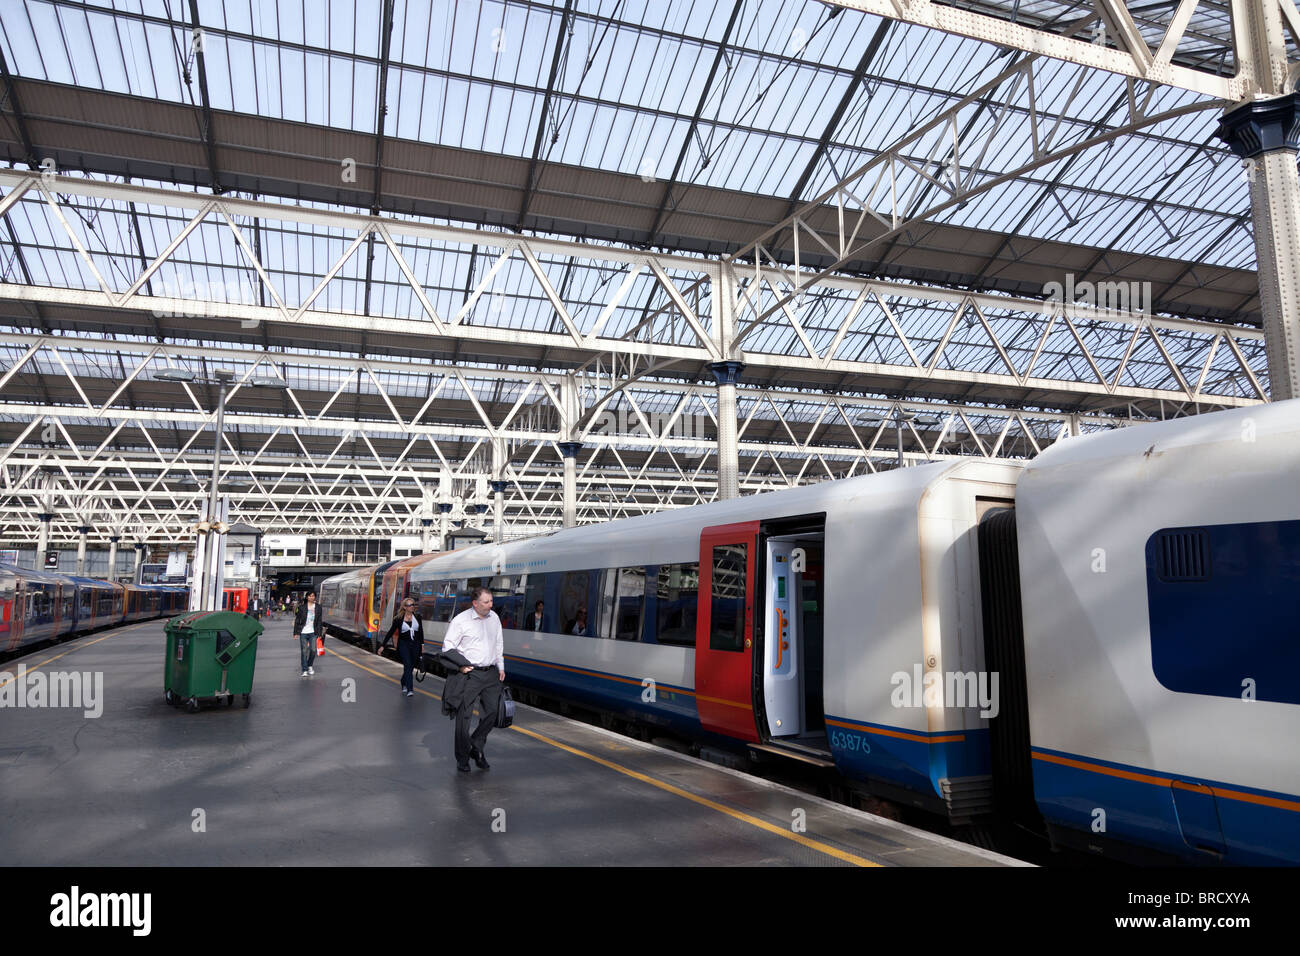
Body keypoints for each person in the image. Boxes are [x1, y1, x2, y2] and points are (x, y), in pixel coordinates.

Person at [442, 586, 504, 772]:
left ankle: (475, 746)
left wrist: (501, 666)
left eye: (491, 601)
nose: (490, 605)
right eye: (486, 602)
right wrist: (461, 665)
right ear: (475, 603)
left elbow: (499, 643)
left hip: (491, 672)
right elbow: (448, 647)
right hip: (470, 674)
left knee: (493, 713)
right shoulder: (461, 621)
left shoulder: (495, 618)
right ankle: (463, 759)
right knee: (464, 717)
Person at [380, 597, 423, 698]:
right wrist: (383, 645)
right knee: (407, 665)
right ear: (404, 607)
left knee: (411, 667)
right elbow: (390, 632)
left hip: (415, 645)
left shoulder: (417, 617)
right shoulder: (398, 619)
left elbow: (421, 632)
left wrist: (422, 645)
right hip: (404, 644)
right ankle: (410, 689)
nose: (412, 607)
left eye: (413, 604)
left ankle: (403, 681)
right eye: (410, 605)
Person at [293, 591, 320, 678]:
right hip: (303, 632)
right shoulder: (302, 607)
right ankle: (304, 670)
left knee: (313, 650)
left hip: (313, 632)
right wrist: (296, 633)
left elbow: (319, 620)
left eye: (313, 596)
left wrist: (319, 632)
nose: (312, 597)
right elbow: (297, 621)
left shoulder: (318, 607)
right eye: (310, 596)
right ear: (307, 597)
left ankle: (309, 665)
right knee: (304, 651)